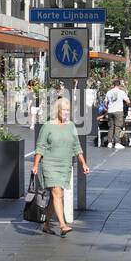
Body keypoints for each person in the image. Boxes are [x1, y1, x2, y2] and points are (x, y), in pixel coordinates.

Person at [32, 97, 89, 237]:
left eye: (68, 110)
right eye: (63, 109)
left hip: (65, 165)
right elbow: (40, 147)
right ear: (57, 110)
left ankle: (46, 225)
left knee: (56, 196)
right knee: (57, 193)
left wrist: (83, 163)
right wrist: (35, 165)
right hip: (50, 164)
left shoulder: (71, 126)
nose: (66, 112)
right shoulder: (48, 126)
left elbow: (76, 146)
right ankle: (62, 225)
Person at [104, 78, 129, 150]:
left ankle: (109, 142)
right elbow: (127, 101)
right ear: (119, 85)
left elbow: (105, 102)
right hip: (118, 111)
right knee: (117, 127)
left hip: (110, 111)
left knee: (111, 127)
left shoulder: (109, 92)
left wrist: (108, 107)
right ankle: (117, 143)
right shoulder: (121, 92)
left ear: (113, 85)